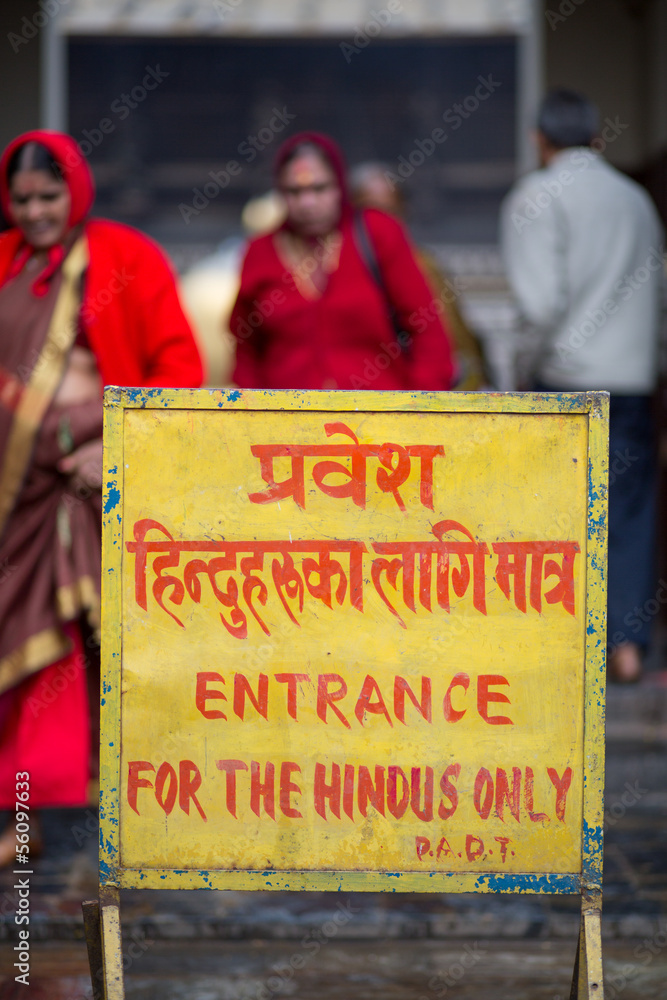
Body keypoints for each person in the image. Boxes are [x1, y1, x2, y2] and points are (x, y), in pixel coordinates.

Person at [0, 129, 203, 863]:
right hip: (14, 494)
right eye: (22, 200)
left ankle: (111, 822)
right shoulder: (4, 261)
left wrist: (108, 446)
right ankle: (26, 822)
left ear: (76, 189)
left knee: (92, 649)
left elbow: (179, 373)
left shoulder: (126, 257)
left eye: (49, 197)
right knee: (23, 654)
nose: (35, 213)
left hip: (92, 487)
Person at [500, 89, 665, 683]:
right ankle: (627, 647)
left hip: (565, 383)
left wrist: (519, 371)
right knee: (629, 513)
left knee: (559, 516)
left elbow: (540, 307)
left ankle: (565, 652)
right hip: (633, 381)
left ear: (538, 139)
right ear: (596, 137)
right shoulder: (636, 199)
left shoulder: (535, 197)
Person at [230, 132, 455, 392]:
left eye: (319, 188)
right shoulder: (260, 253)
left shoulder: (378, 234)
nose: (307, 202)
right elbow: (245, 349)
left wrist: (418, 405)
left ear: (340, 187)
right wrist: (254, 409)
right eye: (294, 191)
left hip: (378, 411)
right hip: (286, 414)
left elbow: (428, 332)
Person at [349, 161, 488, 390]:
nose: (383, 225)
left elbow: (457, 343)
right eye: (372, 213)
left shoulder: (424, 267)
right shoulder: (334, 271)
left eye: (392, 212)